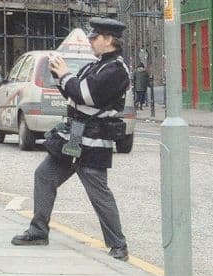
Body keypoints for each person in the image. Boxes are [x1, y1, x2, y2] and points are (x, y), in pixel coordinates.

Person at [11, 18, 132, 261]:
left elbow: (85, 95)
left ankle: (118, 245)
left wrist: (65, 74)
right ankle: (38, 231)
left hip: (94, 144)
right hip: (74, 138)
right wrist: (58, 74)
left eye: (95, 37)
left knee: (99, 194)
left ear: (109, 40)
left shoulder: (116, 70)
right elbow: (72, 93)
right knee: (44, 175)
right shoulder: (96, 65)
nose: (90, 41)